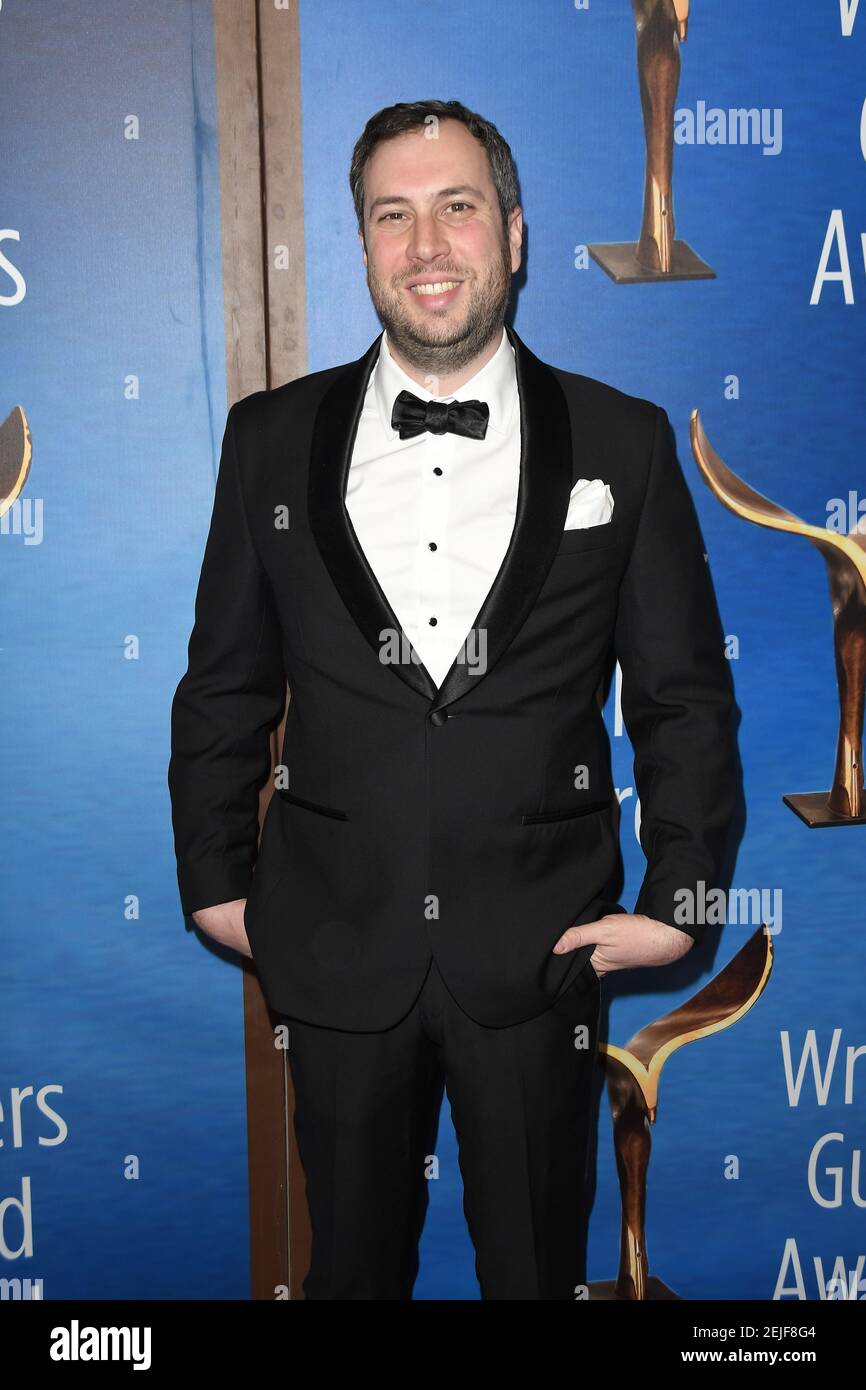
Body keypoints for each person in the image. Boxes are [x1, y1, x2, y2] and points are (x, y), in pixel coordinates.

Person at [168, 98, 737, 1300]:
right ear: (362, 243)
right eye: (393, 215)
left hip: (538, 953)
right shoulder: (267, 440)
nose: (425, 245)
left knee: (534, 1273)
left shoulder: (622, 442)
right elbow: (224, 679)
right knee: (349, 1274)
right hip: (332, 944)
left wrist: (679, 900)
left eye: (457, 207)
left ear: (513, 236)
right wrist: (214, 879)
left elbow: (682, 698)